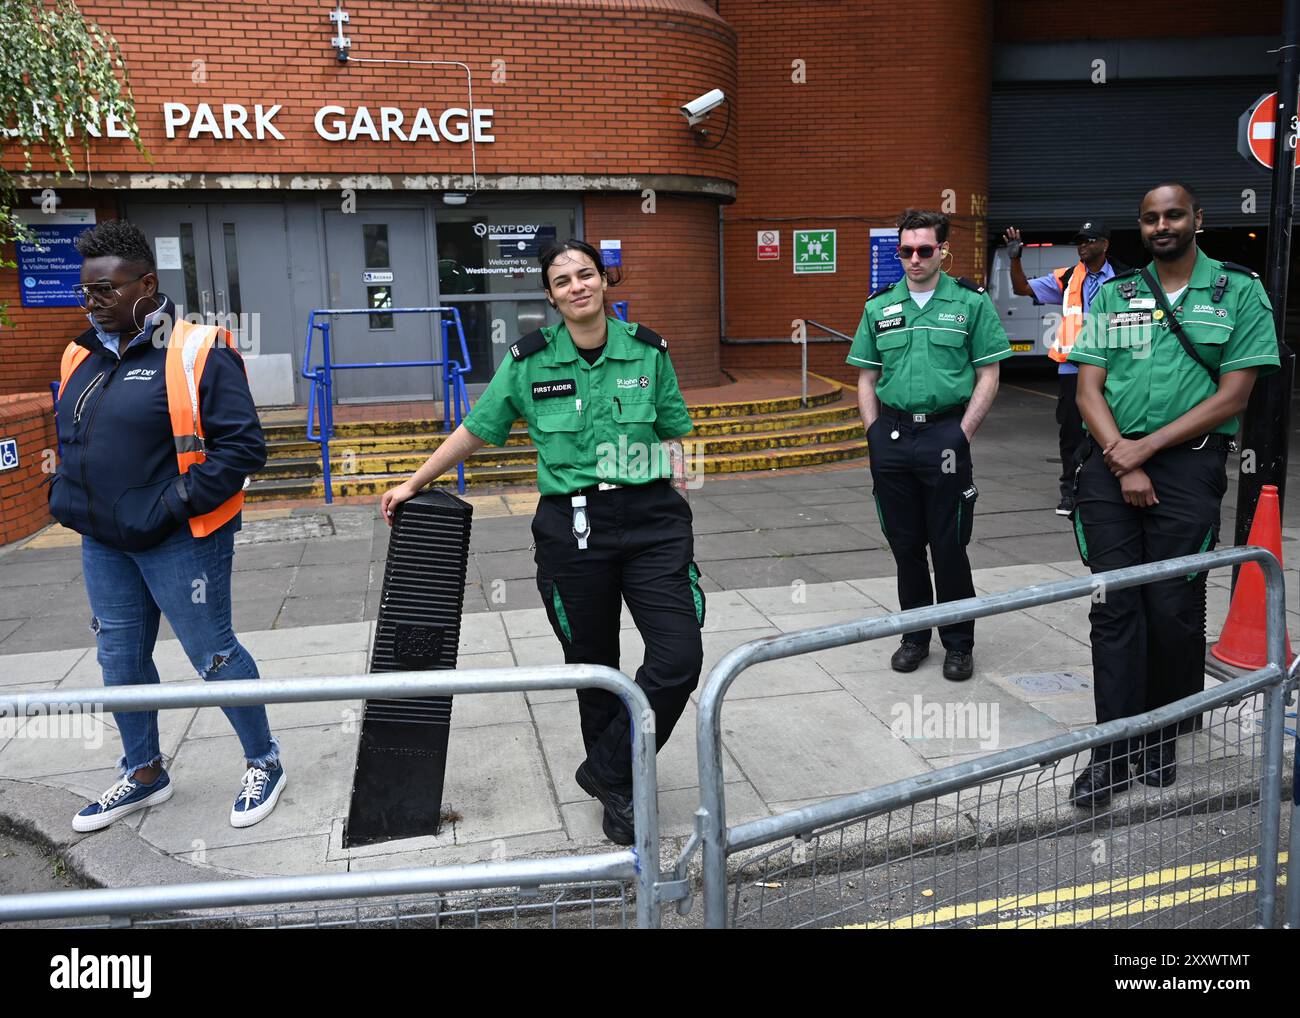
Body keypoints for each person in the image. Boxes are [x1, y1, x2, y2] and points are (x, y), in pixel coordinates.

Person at [381, 239, 703, 845]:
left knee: (679, 658)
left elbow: (675, 430)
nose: (577, 286)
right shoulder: (530, 361)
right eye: (563, 281)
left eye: (586, 274)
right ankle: (623, 791)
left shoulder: (648, 349)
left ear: (604, 281)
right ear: (551, 297)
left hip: (653, 522)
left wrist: (681, 499)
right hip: (574, 529)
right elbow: (478, 428)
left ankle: (606, 768)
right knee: (594, 667)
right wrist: (415, 481)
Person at [49, 220, 285, 833]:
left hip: (182, 540)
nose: (94, 301)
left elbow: (242, 451)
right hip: (104, 542)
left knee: (213, 653)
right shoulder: (81, 353)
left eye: (106, 289)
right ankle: (145, 773)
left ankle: (264, 760)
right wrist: (65, 493)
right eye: (86, 292)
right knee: (119, 658)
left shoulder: (199, 350)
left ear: (147, 285)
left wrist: (166, 503)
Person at [1067, 182, 1279, 807]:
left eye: (1173, 214)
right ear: (1141, 227)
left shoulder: (1238, 291)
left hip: (1187, 469)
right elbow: (1088, 390)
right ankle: (1112, 751)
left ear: (1197, 220)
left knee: (1171, 606)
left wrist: (1147, 451)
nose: (1162, 225)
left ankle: (1159, 737)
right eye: (1150, 218)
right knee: (1114, 607)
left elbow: (1233, 397)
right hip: (1111, 463)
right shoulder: (1117, 293)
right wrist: (1122, 457)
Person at [847, 209, 1012, 681]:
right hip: (893, 438)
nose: (914, 259)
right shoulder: (879, 306)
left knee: (949, 546)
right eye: (906, 250)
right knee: (905, 546)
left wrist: (962, 433)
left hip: (945, 435)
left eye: (924, 249)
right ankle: (915, 636)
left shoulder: (969, 303)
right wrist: (873, 432)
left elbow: (989, 373)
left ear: (943, 250)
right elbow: (866, 375)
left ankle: (958, 643)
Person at [1002, 220, 1123, 516]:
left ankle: (1111, 486)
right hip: (1074, 367)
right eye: (1079, 241)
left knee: (1115, 428)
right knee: (1071, 433)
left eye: (1090, 240)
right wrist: (1015, 258)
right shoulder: (1068, 277)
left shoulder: (1126, 277)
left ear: (1105, 244)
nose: (1082, 245)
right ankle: (1070, 491)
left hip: (1115, 367)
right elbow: (1021, 288)